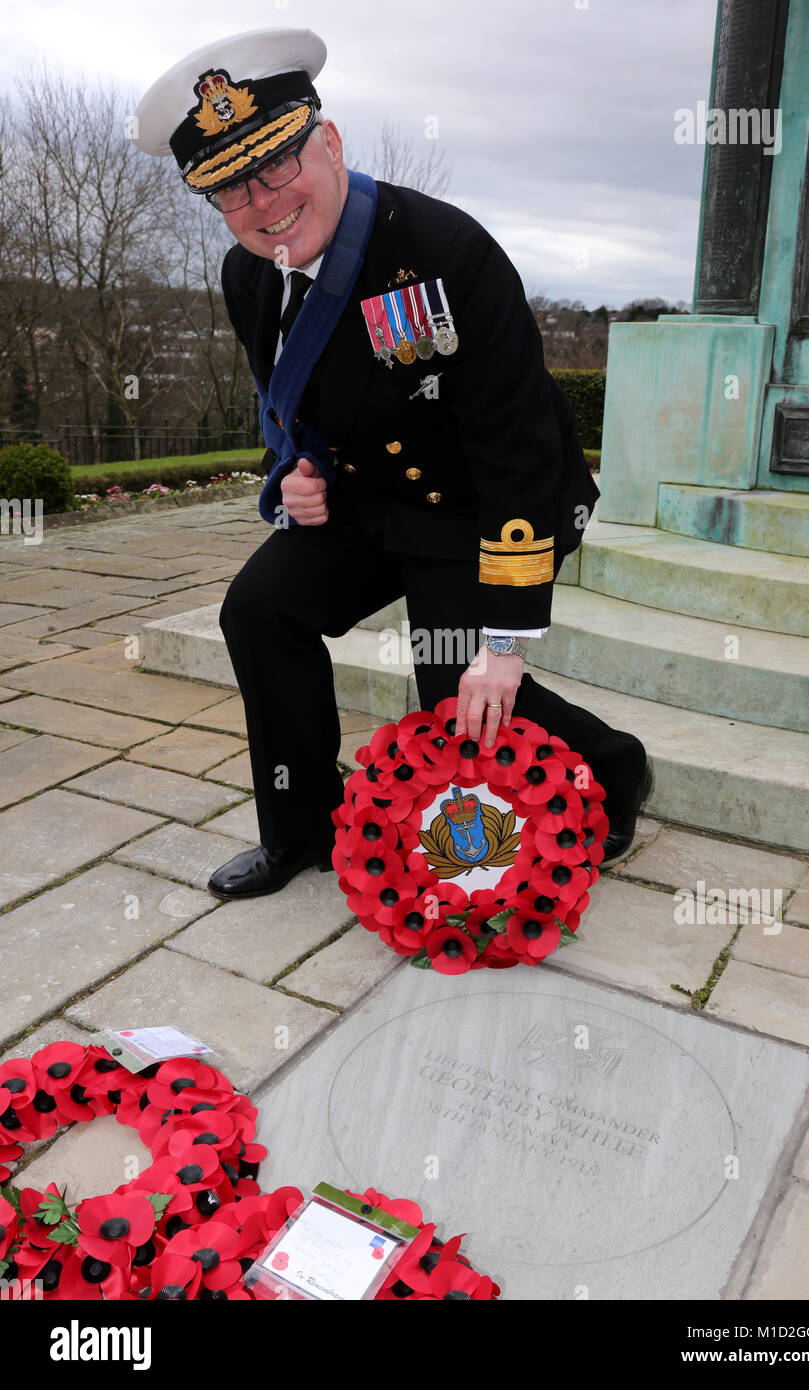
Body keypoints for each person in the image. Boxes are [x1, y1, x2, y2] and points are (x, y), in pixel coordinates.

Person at [134, 26, 651, 902]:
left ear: (328, 143)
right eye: (228, 191)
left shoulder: (447, 254)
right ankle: (303, 825)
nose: (262, 205)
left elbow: (519, 452)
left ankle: (615, 766)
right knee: (259, 611)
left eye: (274, 166)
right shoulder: (247, 274)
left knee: (461, 689)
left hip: (481, 503)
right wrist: (294, 472)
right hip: (371, 500)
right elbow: (288, 400)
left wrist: (506, 639)